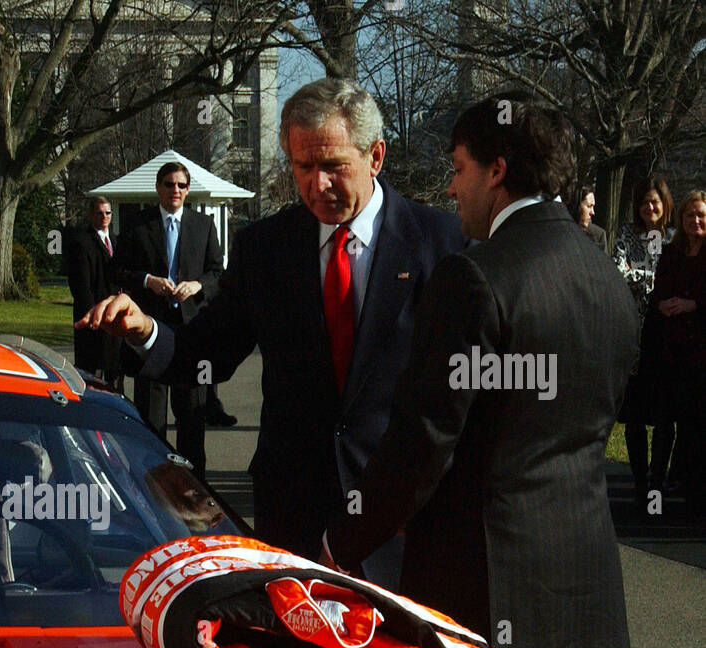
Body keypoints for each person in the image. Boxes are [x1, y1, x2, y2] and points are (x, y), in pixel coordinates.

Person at [320, 94, 640, 648]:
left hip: (481, 599)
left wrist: (340, 546)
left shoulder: (473, 278)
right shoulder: (604, 276)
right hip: (580, 592)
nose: (450, 186)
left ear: (496, 172)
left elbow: (422, 443)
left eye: (458, 167)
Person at [83, 78, 465, 589]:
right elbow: (206, 353)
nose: (317, 184)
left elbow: (460, 399)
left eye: (333, 166)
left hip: (403, 529)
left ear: (375, 156)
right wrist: (146, 329)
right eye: (303, 167)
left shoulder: (442, 244)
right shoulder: (266, 248)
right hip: (296, 522)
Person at [114, 161, 223, 475]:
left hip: (191, 332)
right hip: (151, 331)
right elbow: (118, 271)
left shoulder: (203, 226)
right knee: (151, 418)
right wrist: (149, 280)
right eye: (169, 184)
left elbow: (218, 273)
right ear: (158, 188)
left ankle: (193, 491)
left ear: (188, 190)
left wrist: (197, 285)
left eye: (181, 185)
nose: (175, 190)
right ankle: (150, 485)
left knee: (191, 420)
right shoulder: (137, 225)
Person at [614, 176, 676, 504]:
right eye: (644, 203)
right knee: (635, 415)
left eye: (655, 202)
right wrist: (653, 281)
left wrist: (645, 281)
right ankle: (639, 481)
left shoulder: (676, 239)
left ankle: (657, 479)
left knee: (665, 415)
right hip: (635, 333)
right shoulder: (627, 234)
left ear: (665, 204)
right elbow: (617, 271)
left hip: (666, 336)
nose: (650, 207)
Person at [646, 190, 706, 522]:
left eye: (700, 215)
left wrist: (693, 304)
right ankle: (655, 490)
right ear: (680, 220)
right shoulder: (671, 253)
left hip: (700, 356)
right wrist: (663, 304)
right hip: (671, 352)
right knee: (664, 424)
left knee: (694, 427)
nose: (695, 221)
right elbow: (659, 290)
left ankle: (692, 493)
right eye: (689, 215)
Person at [65, 196, 122, 386]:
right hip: (91, 315)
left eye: (107, 213)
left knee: (114, 370)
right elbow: (80, 284)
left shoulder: (115, 240)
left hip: (114, 314)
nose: (104, 217)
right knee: (91, 372)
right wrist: (92, 312)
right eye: (99, 213)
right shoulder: (80, 242)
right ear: (91, 215)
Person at [573, 184, 607, 249]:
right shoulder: (562, 232)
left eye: (593, 207)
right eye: (589, 206)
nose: (592, 212)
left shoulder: (598, 235)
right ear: (577, 206)